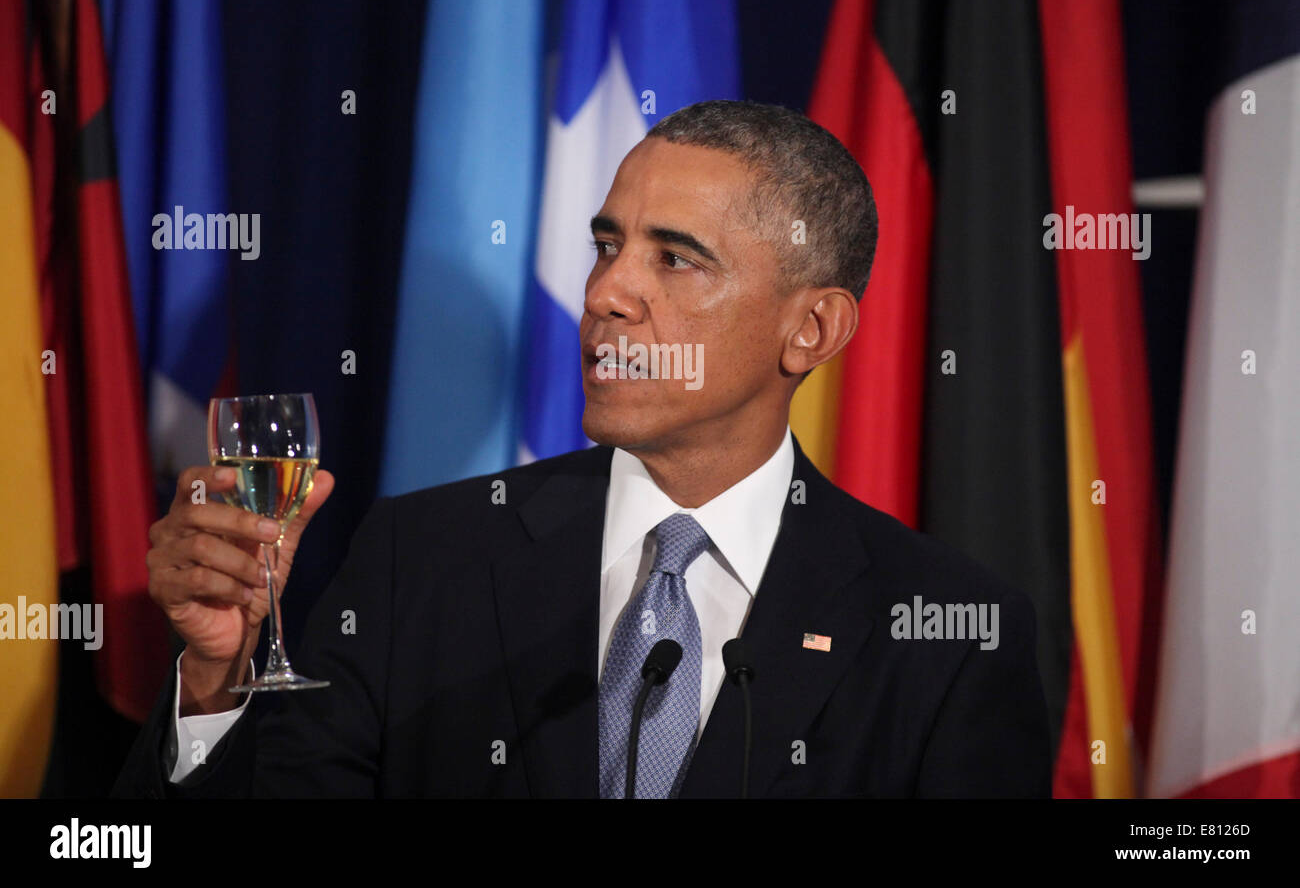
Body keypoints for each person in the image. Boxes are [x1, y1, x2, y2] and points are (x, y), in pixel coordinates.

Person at [113, 100, 1051, 798]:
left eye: (673, 259)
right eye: (608, 245)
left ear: (811, 330)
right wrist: (217, 679)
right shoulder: (422, 558)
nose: (606, 292)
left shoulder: (949, 634)